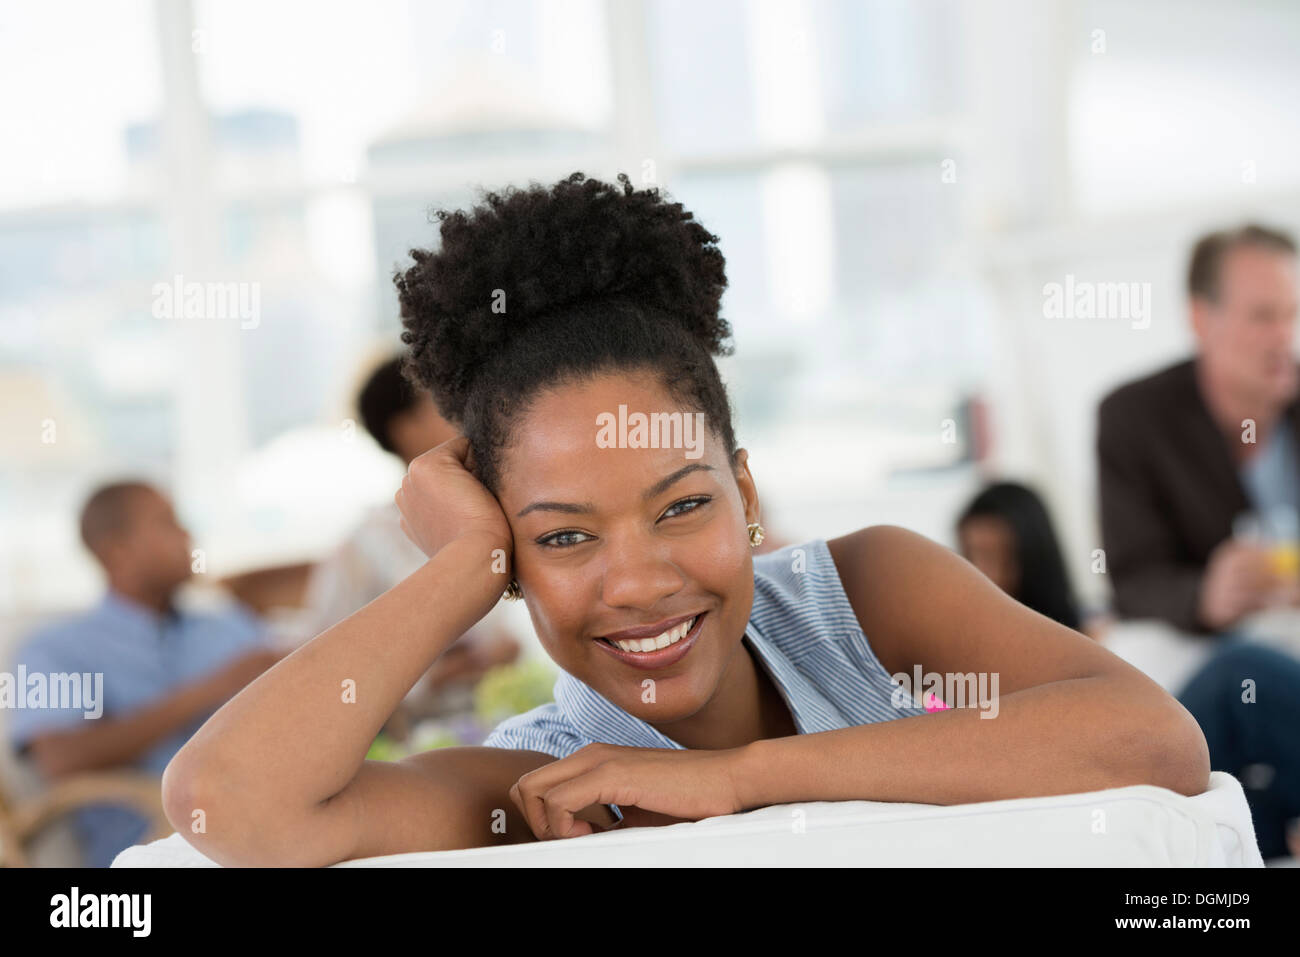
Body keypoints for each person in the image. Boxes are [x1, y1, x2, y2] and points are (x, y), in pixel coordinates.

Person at [163, 172, 1209, 866]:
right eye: (562, 536)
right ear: (510, 558)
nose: (638, 582)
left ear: (745, 497)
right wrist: (464, 567)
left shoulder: (867, 596)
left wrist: (735, 780)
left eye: (682, 506)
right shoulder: (541, 787)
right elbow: (226, 803)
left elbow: (1153, 740)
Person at [5, 482, 280, 866]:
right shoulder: (52, 649)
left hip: (276, 827)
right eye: (168, 523)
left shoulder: (228, 624)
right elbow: (59, 759)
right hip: (153, 848)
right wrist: (208, 690)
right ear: (118, 552)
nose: (187, 534)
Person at [1097, 224, 1300, 635]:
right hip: (1207, 649)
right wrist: (1204, 595)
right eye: (1263, 316)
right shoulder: (1134, 418)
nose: (1285, 337)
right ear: (1200, 319)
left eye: (1292, 312)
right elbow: (1132, 581)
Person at [301, 356, 520, 698]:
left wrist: (506, 651)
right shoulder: (364, 544)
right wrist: (432, 679)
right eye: (447, 406)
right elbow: (321, 670)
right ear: (405, 431)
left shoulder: (503, 513)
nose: (469, 418)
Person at [956, 481, 1084, 633]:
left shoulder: (1087, 638)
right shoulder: (961, 632)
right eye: (969, 557)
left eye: (997, 559)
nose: (981, 573)